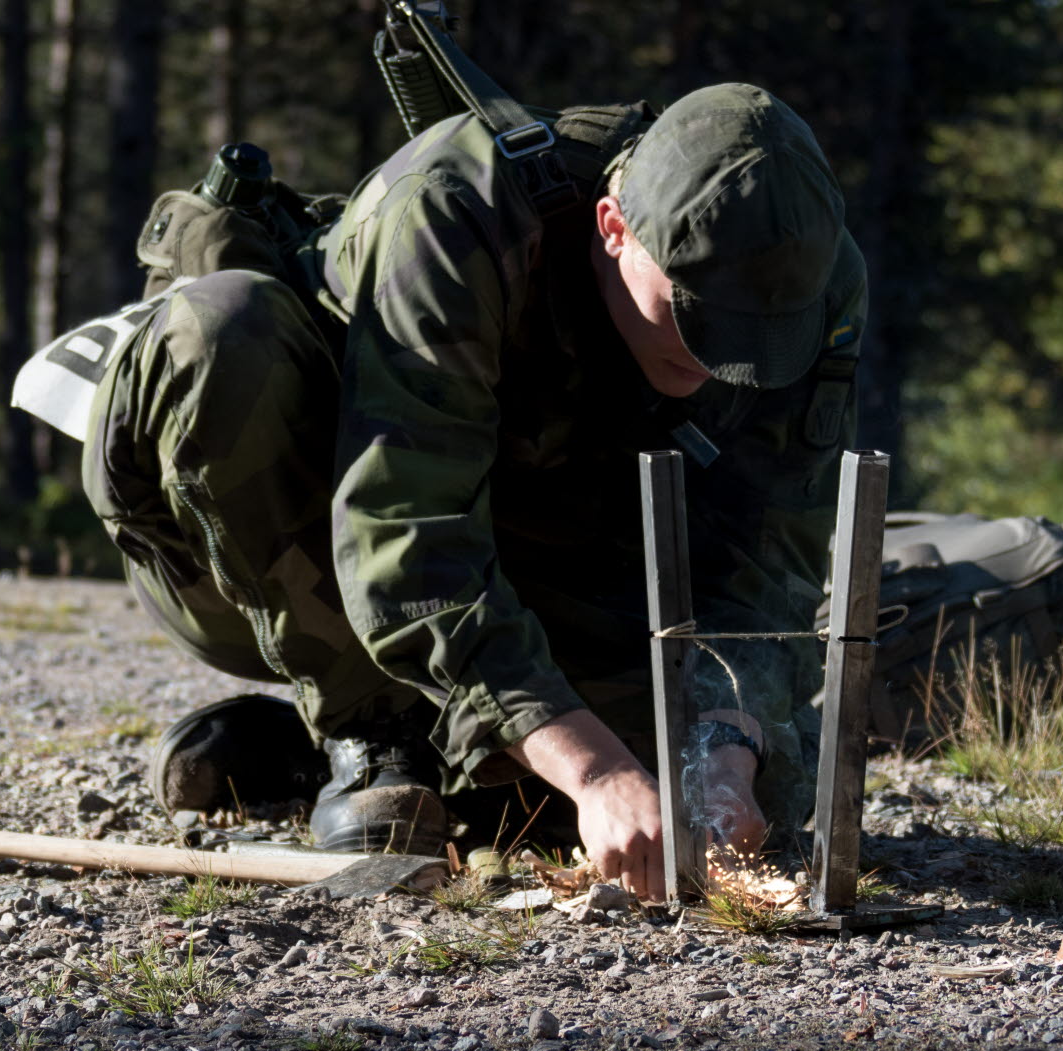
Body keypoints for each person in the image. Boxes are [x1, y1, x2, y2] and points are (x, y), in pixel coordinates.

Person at [57, 83, 866, 901]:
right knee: (224, 329)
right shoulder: (459, 208)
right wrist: (590, 772)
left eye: (760, 341)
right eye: (695, 317)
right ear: (614, 228)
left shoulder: (808, 277)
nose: (726, 363)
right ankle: (369, 732)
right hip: (297, 541)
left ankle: (299, 758)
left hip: (534, 561)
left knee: (722, 805)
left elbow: (769, 561)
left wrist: (724, 747)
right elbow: (406, 530)